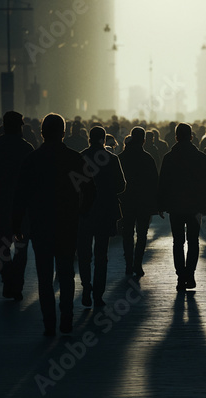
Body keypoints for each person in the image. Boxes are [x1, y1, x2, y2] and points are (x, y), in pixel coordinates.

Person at [15, 113, 95, 335]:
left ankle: (49, 322)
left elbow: (20, 194)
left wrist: (17, 223)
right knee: (67, 272)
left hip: (40, 223)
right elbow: (89, 188)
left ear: (42, 132)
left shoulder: (32, 160)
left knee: (44, 275)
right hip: (67, 222)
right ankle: (67, 318)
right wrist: (82, 211)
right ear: (64, 132)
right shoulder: (74, 158)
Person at [158, 123, 206, 291]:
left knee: (178, 242)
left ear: (176, 137)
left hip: (175, 206)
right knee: (193, 241)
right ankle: (190, 274)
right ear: (191, 137)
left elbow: (163, 183)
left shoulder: (169, 158)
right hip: (195, 206)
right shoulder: (201, 157)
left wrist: (161, 204)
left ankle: (180, 276)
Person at [0, 111, 35, 301]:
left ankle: (7, 281)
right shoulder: (26, 148)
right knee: (21, 248)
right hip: (22, 207)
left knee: (3, 247)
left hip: (1, 206)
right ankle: (17, 284)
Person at [78, 126, 126, 307]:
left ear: (89, 139)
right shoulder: (112, 159)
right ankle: (98, 294)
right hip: (105, 212)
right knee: (101, 254)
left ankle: (86, 286)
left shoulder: (80, 157)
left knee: (84, 253)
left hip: (84, 211)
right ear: (104, 140)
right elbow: (121, 185)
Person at [118, 127, 160, 276]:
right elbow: (155, 182)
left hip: (127, 202)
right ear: (143, 140)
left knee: (127, 233)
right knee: (142, 234)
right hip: (144, 202)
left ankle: (129, 264)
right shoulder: (148, 158)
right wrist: (157, 203)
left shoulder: (121, 157)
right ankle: (138, 264)